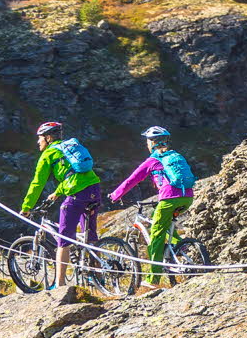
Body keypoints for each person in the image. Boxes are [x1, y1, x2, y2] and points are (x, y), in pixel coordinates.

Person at [108, 125, 196, 286]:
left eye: (148, 141)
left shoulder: (153, 160)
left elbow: (132, 180)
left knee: (156, 237)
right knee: (166, 225)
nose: (147, 145)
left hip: (170, 199)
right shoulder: (177, 156)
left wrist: (115, 195)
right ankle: (179, 247)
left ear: (153, 143)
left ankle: (153, 279)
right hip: (187, 198)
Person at [21, 121, 102, 287]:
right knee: (90, 236)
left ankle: (60, 284)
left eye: (40, 138)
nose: (38, 142)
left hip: (77, 193)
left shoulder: (48, 155)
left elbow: (37, 183)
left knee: (63, 240)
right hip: (94, 188)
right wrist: (57, 193)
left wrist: (26, 207)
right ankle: (97, 276)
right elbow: (74, 174)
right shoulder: (69, 147)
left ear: (49, 138)